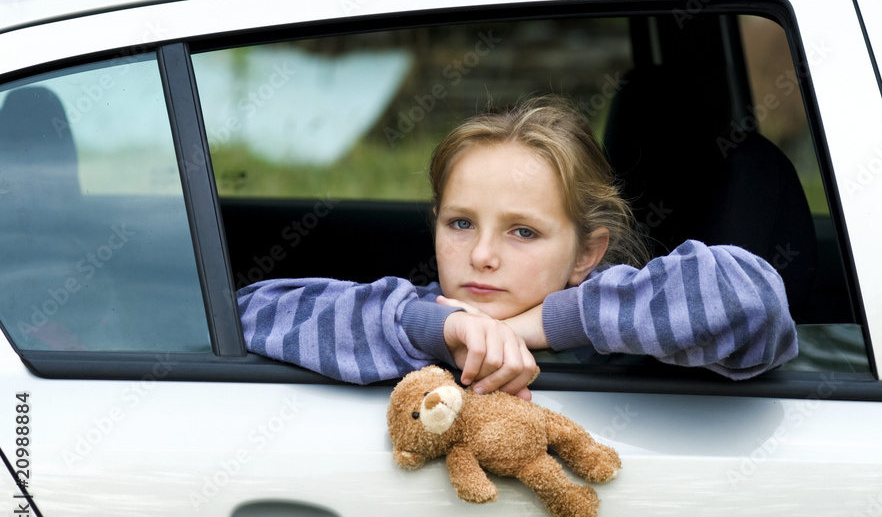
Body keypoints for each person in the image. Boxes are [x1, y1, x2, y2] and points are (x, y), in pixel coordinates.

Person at [237, 95, 798, 399]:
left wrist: (543, 327)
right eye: (460, 224)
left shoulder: (635, 325)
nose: (481, 254)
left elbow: (748, 298)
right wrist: (434, 329)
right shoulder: (416, 313)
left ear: (586, 254)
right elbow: (246, 312)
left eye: (522, 231)